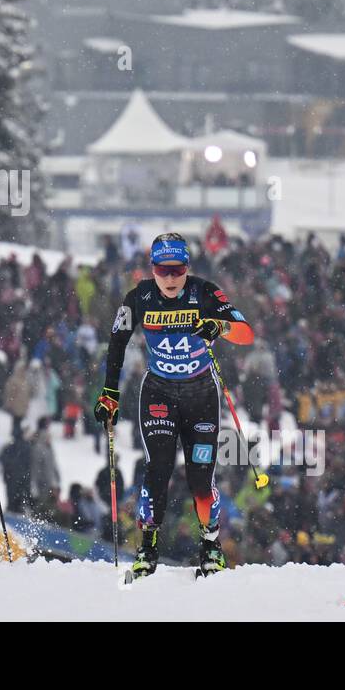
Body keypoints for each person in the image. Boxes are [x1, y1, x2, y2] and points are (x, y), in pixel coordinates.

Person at [94, 232, 254, 578]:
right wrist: (110, 392)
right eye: (162, 270)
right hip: (159, 395)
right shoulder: (139, 296)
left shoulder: (205, 292)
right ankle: (147, 549)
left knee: (200, 479)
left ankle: (211, 547)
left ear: (187, 268)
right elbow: (117, 343)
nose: (170, 278)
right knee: (157, 470)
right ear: (151, 268)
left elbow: (246, 332)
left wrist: (220, 325)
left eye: (177, 270)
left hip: (201, 397)